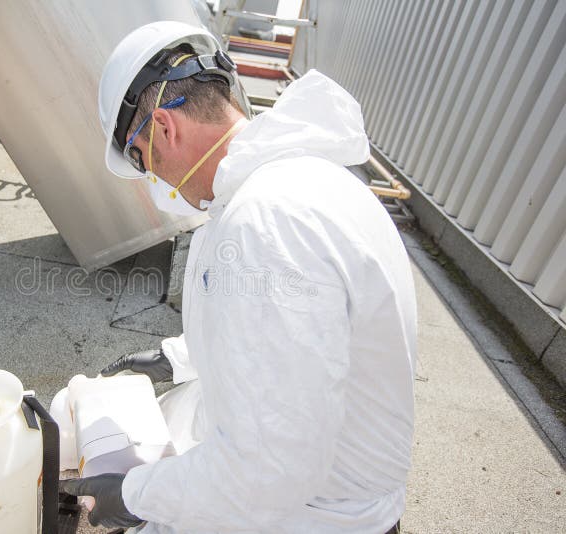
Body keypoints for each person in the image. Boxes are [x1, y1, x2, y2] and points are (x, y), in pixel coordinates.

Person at [61, 21, 416, 534]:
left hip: (313, 518)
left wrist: (134, 497)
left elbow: (267, 470)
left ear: (165, 128)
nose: (155, 182)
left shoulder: (266, 223)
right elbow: (290, 334)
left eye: (143, 161)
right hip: (336, 491)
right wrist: (178, 357)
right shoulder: (305, 181)